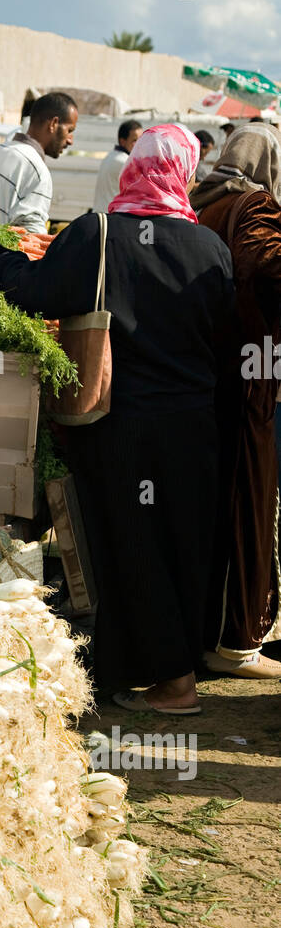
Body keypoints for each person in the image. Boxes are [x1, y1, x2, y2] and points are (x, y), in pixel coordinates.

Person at [0, 125, 235, 713]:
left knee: (130, 545)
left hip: (121, 422)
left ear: (133, 167)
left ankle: (174, 684)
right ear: (186, 172)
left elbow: (33, 292)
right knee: (182, 543)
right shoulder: (211, 250)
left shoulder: (98, 234)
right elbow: (224, 339)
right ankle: (153, 671)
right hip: (194, 425)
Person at [190, 123, 281, 677]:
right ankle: (236, 642)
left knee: (215, 500)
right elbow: (264, 268)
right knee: (249, 499)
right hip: (254, 373)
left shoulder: (201, 201)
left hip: (208, 369)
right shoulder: (257, 206)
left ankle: (208, 629)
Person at [0, 91, 78, 231]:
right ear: (53, 124)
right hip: (0, 252)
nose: (70, 140)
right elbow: (32, 235)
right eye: (70, 130)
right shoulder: (36, 169)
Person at [92, 118, 143, 211]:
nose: (139, 144)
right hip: (111, 216)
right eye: (134, 140)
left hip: (102, 213)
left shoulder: (111, 155)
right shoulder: (124, 161)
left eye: (141, 139)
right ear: (123, 141)